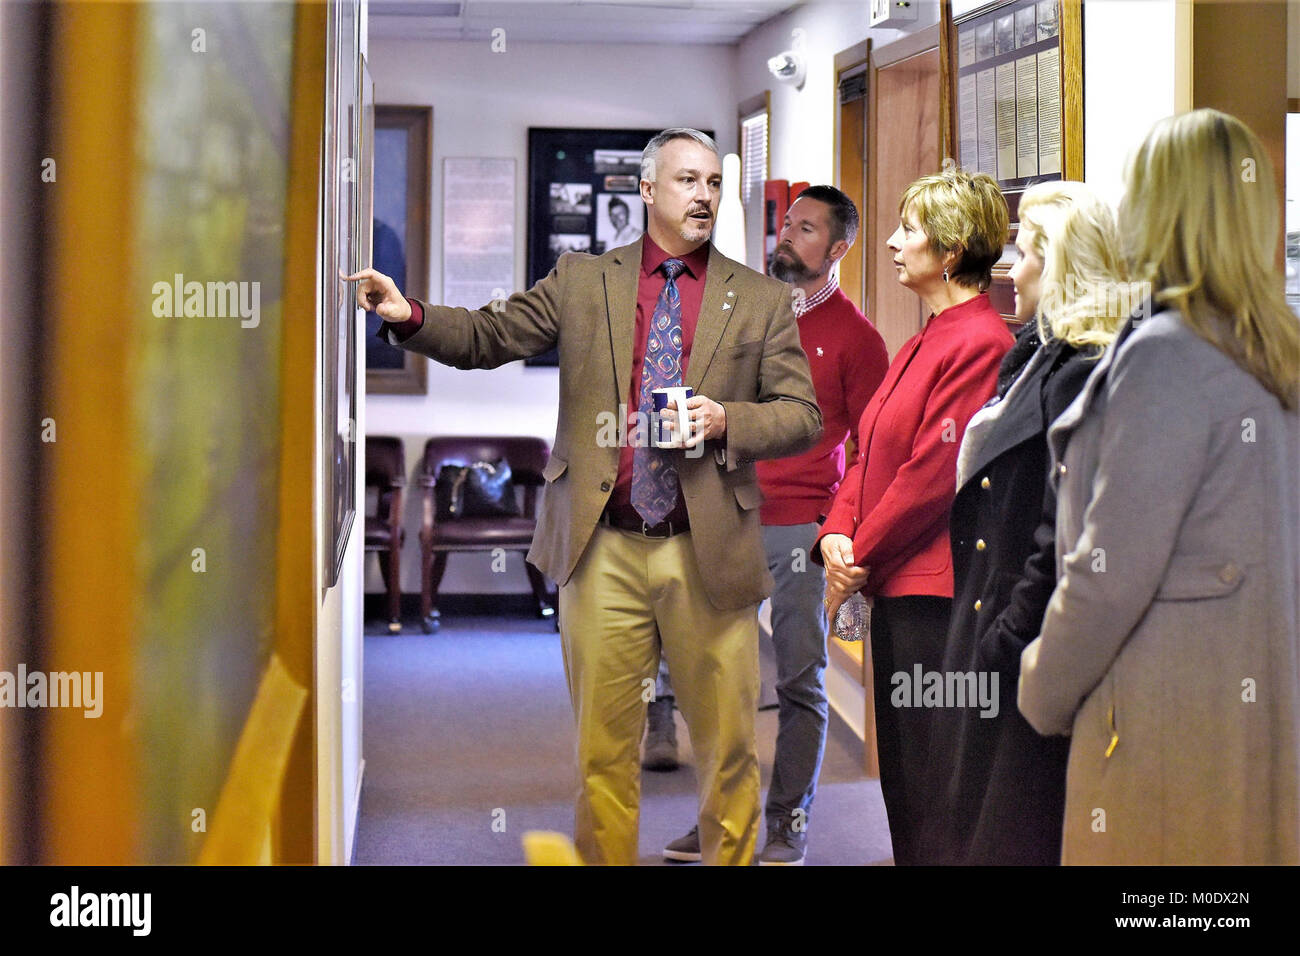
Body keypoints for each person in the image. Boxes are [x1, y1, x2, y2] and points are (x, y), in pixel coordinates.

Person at [347, 128, 822, 866]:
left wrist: (729, 419)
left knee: (728, 753)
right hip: (602, 548)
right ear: (645, 190)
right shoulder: (583, 279)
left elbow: (802, 416)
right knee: (604, 757)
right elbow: (489, 335)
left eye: (711, 184)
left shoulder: (759, 299)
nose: (703, 196)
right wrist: (408, 314)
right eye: (686, 181)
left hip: (710, 552)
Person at [1018, 109, 1300, 864]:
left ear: (1161, 208)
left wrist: (1040, 685)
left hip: (1164, 720)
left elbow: (1110, 571)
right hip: (1250, 715)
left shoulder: (1169, 357)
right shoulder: (1273, 348)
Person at [661, 186, 889, 864]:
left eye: (807, 228)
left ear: (839, 248)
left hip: (799, 530)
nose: (787, 236)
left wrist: (845, 534)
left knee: (798, 681)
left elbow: (875, 451)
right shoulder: (748, 312)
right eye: (787, 224)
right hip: (727, 516)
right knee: (716, 679)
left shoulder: (858, 338)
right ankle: (719, 819)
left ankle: (789, 819)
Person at [917, 181, 1126, 865]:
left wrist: (1005, 638)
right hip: (986, 613)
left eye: (1027, 252)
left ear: (1063, 263)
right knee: (965, 810)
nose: (1011, 267)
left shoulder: (1082, 370)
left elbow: (1058, 532)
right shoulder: (1035, 351)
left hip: (1018, 633)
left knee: (1006, 829)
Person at [814, 167, 1013, 866]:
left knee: (935, 779)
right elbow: (868, 449)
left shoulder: (980, 341)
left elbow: (931, 478)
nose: (893, 243)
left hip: (937, 598)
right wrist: (837, 533)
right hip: (892, 583)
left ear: (952, 250)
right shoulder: (928, 334)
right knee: (904, 774)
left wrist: (852, 559)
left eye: (909, 230)